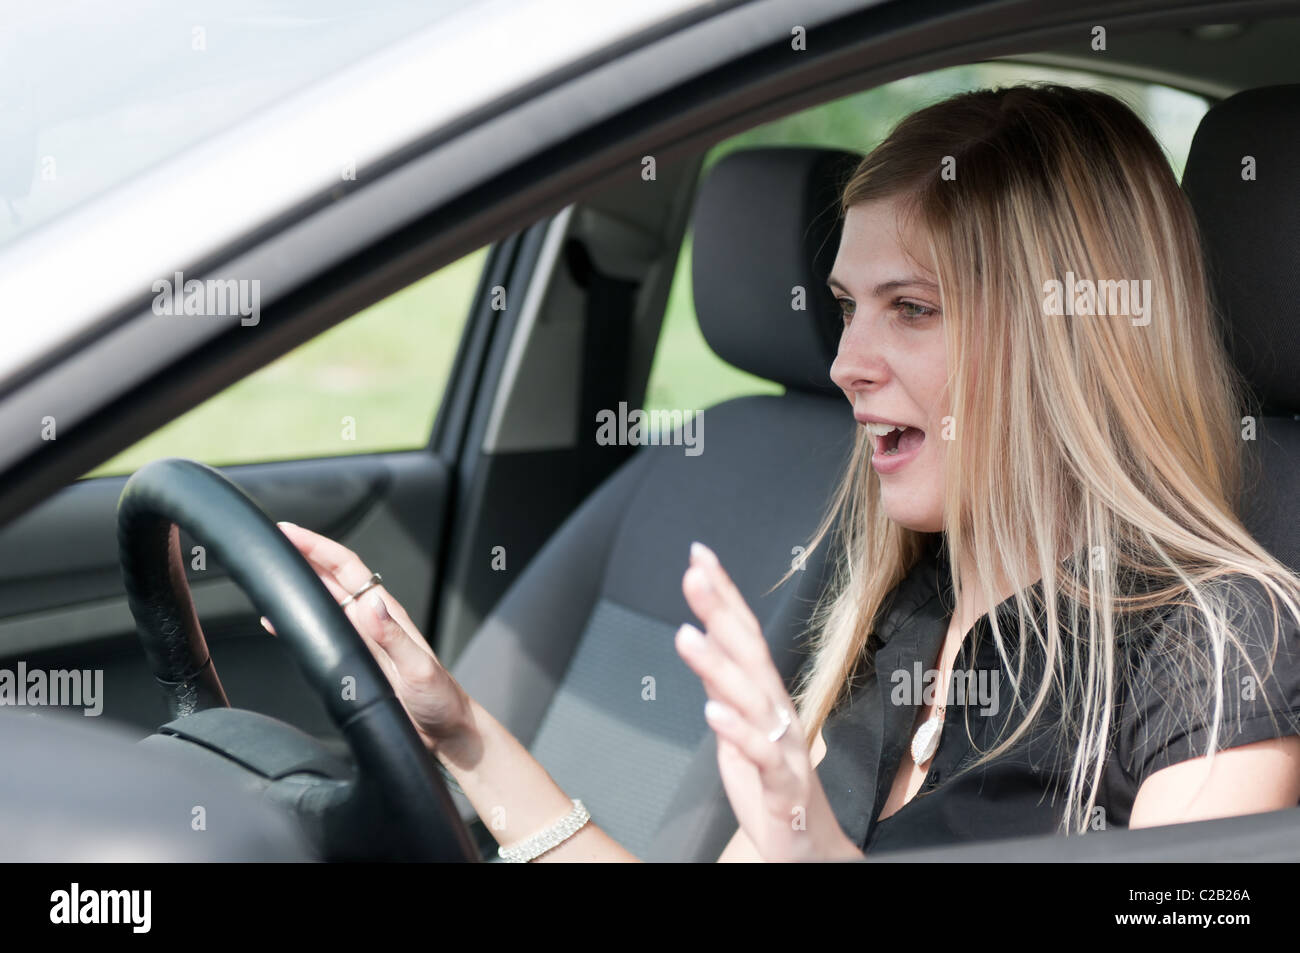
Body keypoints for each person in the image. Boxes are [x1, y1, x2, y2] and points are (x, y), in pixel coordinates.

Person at [273, 84, 1300, 862]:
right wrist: (456, 729)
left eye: (910, 306)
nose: (845, 360)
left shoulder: (1216, 653)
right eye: (847, 305)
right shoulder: (900, 611)